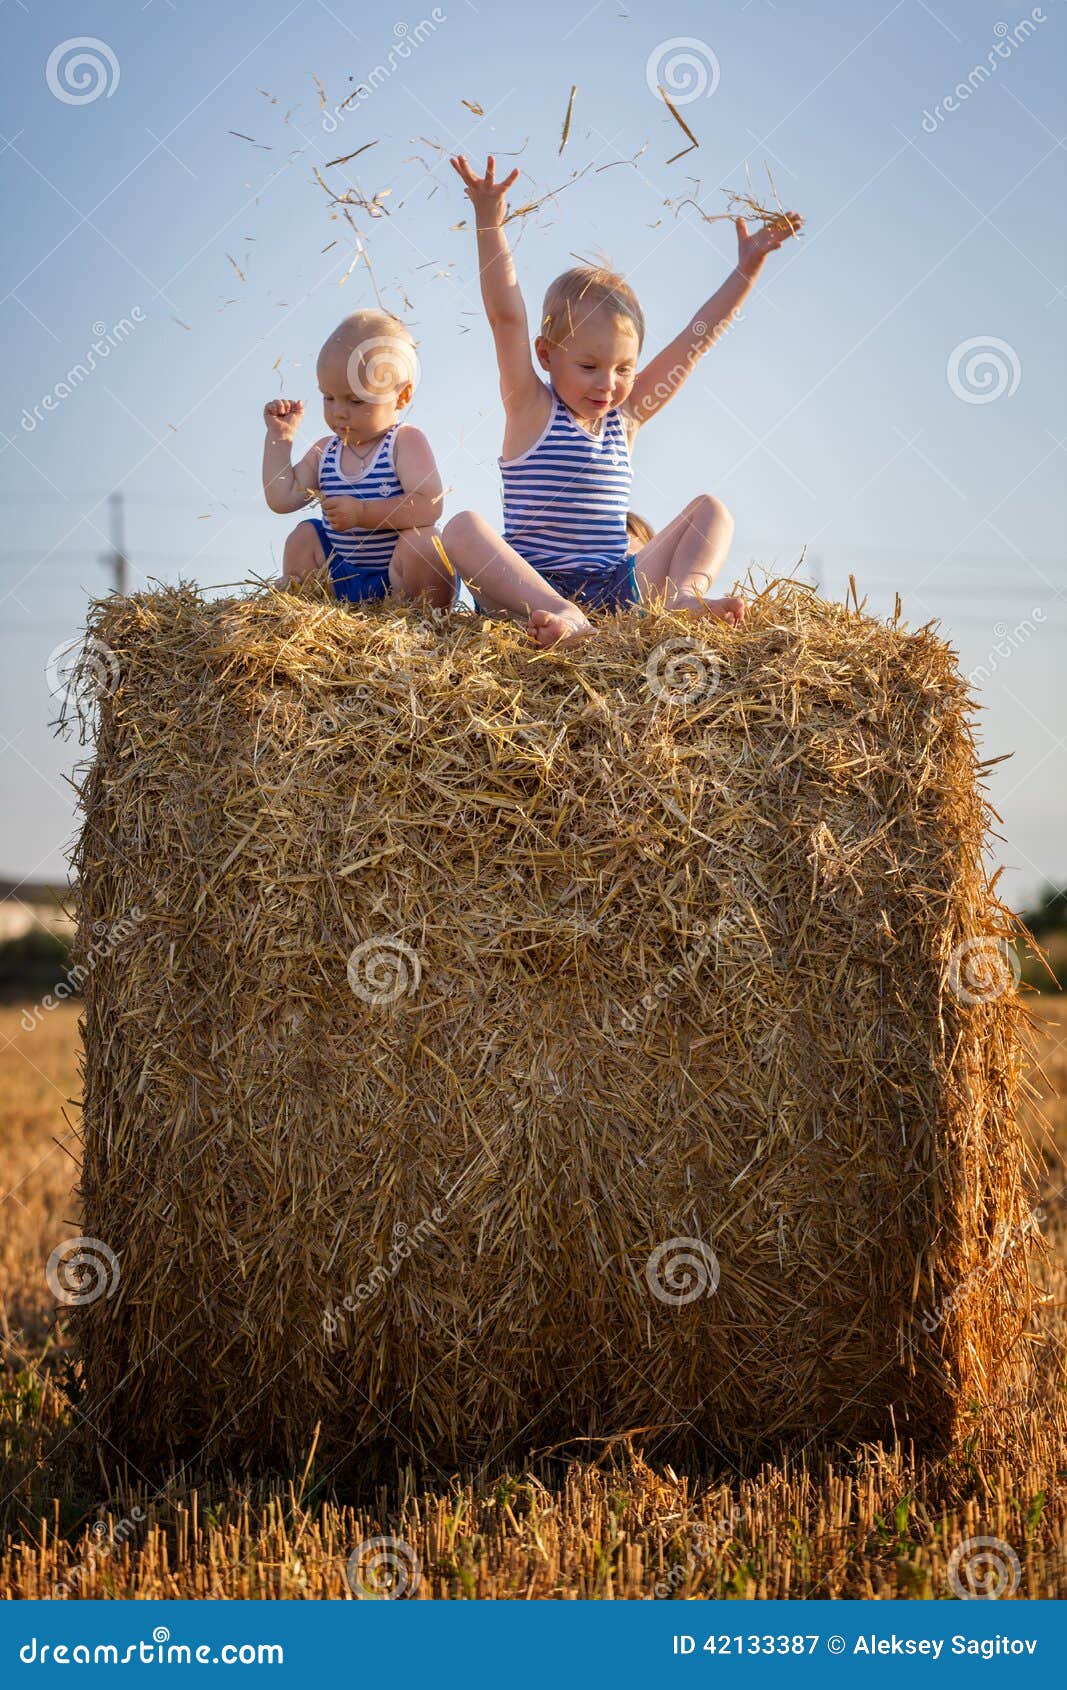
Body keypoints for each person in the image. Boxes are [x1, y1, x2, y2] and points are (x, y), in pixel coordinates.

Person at [442, 154, 802, 646]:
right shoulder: (530, 407)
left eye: (624, 369)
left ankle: (684, 599)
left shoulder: (625, 419)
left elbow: (692, 343)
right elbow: (506, 317)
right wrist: (490, 219)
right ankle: (562, 614)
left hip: (616, 588)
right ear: (546, 355)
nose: (608, 384)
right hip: (530, 585)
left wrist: (746, 271)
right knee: (460, 527)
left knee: (712, 510)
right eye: (589, 366)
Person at [262, 309, 457, 607]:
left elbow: (429, 505)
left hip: (399, 579)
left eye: (355, 400)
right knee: (303, 537)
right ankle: (307, 613)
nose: (339, 411)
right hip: (342, 579)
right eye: (329, 397)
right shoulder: (324, 452)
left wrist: (363, 513)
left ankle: (425, 622)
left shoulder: (403, 442)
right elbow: (282, 498)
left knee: (423, 543)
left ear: (401, 398)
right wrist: (280, 438)